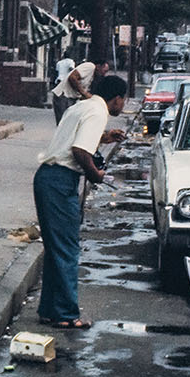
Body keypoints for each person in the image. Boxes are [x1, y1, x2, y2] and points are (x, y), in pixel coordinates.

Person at [33, 74, 129, 329]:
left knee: (56, 248)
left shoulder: (82, 107)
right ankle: (66, 313)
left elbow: (73, 140)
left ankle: (50, 310)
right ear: (117, 98)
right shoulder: (98, 112)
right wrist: (95, 174)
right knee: (67, 248)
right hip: (60, 180)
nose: (123, 105)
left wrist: (106, 137)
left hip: (47, 177)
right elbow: (79, 150)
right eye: (123, 100)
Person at [51, 55, 110, 125]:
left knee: (71, 124)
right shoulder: (90, 66)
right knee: (64, 124)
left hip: (71, 98)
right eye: (104, 71)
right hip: (64, 95)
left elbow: (81, 92)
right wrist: (84, 93)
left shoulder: (92, 76)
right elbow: (72, 77)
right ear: (98, 66)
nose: (104, 74)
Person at [51, 48, 77, 122]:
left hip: (59, 81)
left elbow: (56, 73)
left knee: (59, 99)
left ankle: (60, 118)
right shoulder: (71, 61)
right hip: (66, 82)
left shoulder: (59, 62)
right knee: (67, 99)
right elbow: (71, 68)